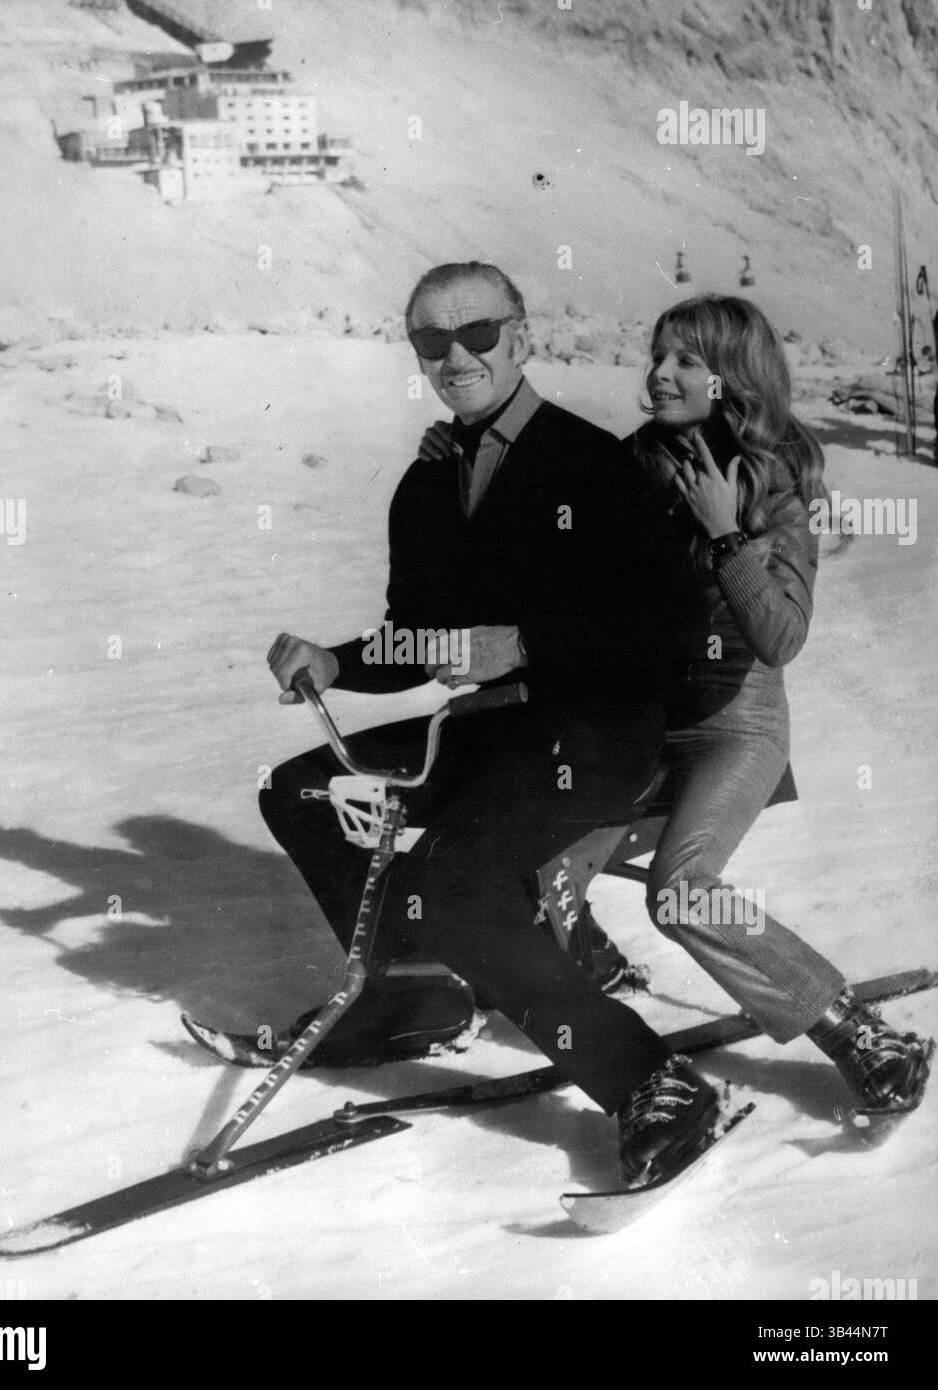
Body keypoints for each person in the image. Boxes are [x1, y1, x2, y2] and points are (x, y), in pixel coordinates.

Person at [258, 262, 721, 1184]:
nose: (455, 357)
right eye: (431, 340)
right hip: (486, 732)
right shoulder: (427, 484)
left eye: (476, 334)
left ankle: (649, 1081)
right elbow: (419, 639)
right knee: (301, 790)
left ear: (521, 338)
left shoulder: (595, 466)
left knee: (453, 884)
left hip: (594, 733)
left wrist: (523, 644)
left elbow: (672, 628)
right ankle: (412, 996)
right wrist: (337, 662)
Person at [611, 295, 930, 1112]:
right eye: (658, 355)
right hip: (636, 718)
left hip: (735, 724)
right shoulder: (632, 461)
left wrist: (725, 535)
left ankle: (858, 1034)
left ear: (731, 378)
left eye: (685, 361)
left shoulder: (772, 479)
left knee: (679, 887)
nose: (660, 374)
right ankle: (583, 965)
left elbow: (781, 636)